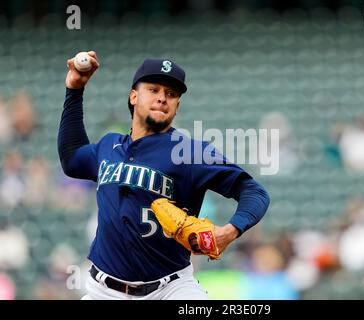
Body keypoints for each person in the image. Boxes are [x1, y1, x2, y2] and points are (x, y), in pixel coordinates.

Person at [57, 51, 270, 300]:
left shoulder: (190, 152)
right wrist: (74, 89)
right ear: (134, 96)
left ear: (177, 106)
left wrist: (230, 231)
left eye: (171, 94)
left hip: (170, 289)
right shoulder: (108, 146)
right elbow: (72, 160)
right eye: (154, 89)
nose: (162, 98)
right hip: (102, 291)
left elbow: (254, 192)